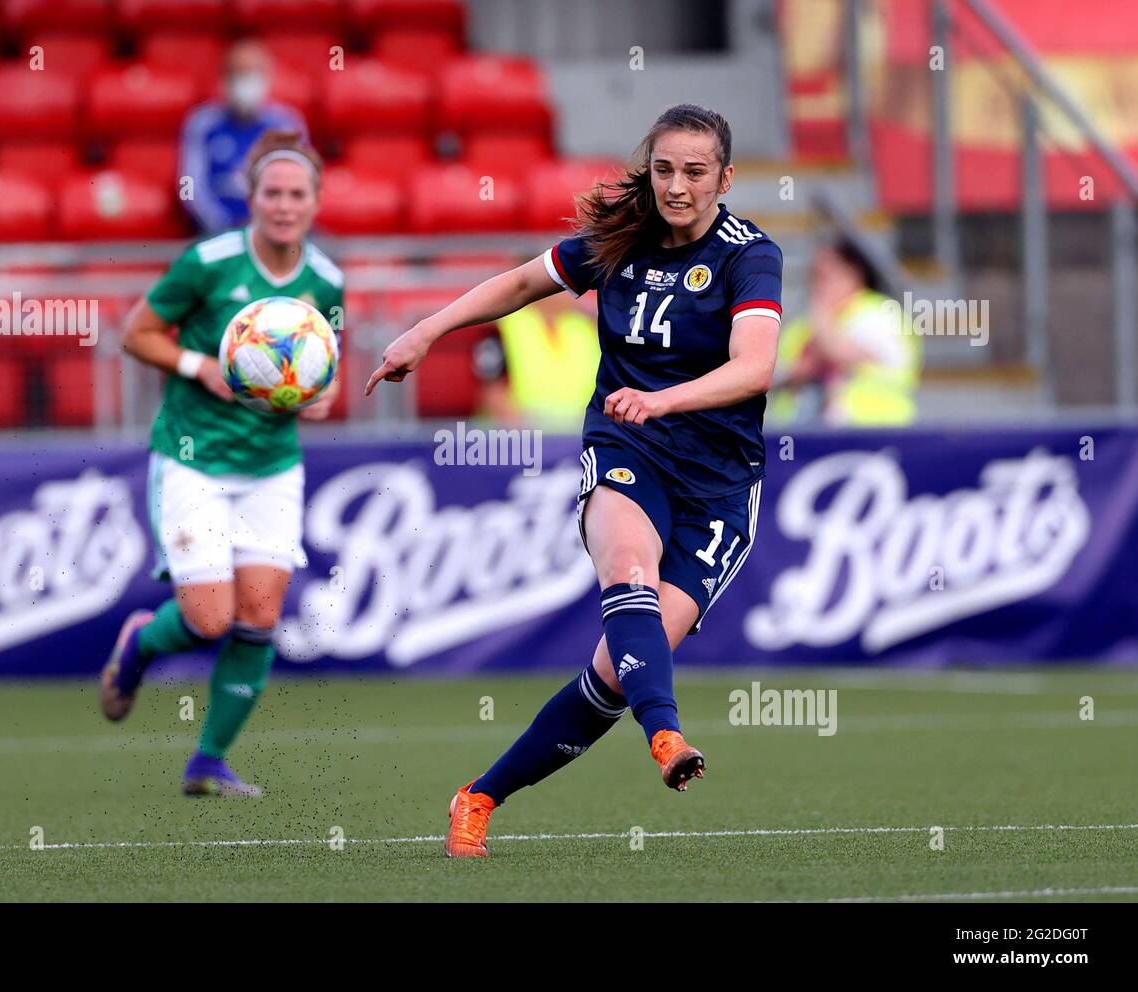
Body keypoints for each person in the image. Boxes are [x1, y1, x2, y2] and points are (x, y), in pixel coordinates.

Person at [366, 104, 782, 857]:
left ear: (726, 177)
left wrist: (663, 398)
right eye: (663, 170)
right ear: (648, 169)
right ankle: (667, 741)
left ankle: (479, 796)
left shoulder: (750, 255)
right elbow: (522, 284)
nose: (677, 187)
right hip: (629, 447)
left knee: (614, 676)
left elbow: (755, 366)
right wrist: (426, 331)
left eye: (694, 173)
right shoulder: (620, 239)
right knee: (628, 572)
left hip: (721, 483)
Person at [103, 130, 343, 797]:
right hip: (194, 459)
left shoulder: (326, 278)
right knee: (210, 618)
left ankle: (208, 760)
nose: (285, 206)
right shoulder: (207, 262)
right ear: (252, 197)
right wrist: (197, 363)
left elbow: (328, 364)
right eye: (273, 193)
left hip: (271, 463)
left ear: (316, 201)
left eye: (298, 194)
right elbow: (136, 331)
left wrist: (321, 395)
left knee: (259, 617)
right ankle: (140, 644)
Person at [772, 239, 920, 425]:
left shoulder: (876, 312)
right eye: (815, 275)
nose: (818, 284)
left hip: (873, 431)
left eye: (827, 275)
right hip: (801, 438)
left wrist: (820, 314)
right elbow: (773, 376)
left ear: (854, 273)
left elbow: (840, 353)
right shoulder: (801, 327)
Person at [178, 40, 310, 235]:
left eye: (252, 75)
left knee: (327, 249)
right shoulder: (202, 124)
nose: (245, 83)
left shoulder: (286, 124)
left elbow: (302, 183)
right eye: (238, 75)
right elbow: (188, 187)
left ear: (267, 77)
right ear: (224, 79)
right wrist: (220, 224)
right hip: (218, 230)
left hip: (276, 229)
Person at [473, 285, 600, 432]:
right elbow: (492, 393)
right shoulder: (504, 326)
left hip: (577, 438)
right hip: (520, 440)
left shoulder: (584, 327)